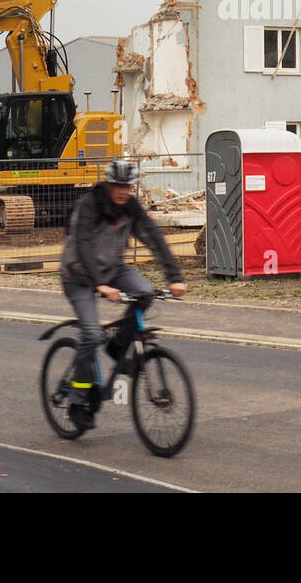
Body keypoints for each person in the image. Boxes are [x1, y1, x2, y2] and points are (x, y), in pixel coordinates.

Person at [60, 159, 186, 430]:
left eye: (127, 186)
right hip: (79, 275)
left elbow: (153, 238)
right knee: (92, 335)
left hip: (112, 269)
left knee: (144, 292)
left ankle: (118, 345)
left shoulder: (130, 207)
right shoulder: (90, 205)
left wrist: (174, 278)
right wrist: (100, 285)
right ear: (107, 184)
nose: (123, 191)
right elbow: (81, 245)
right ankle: (78, 400)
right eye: (118, 186)